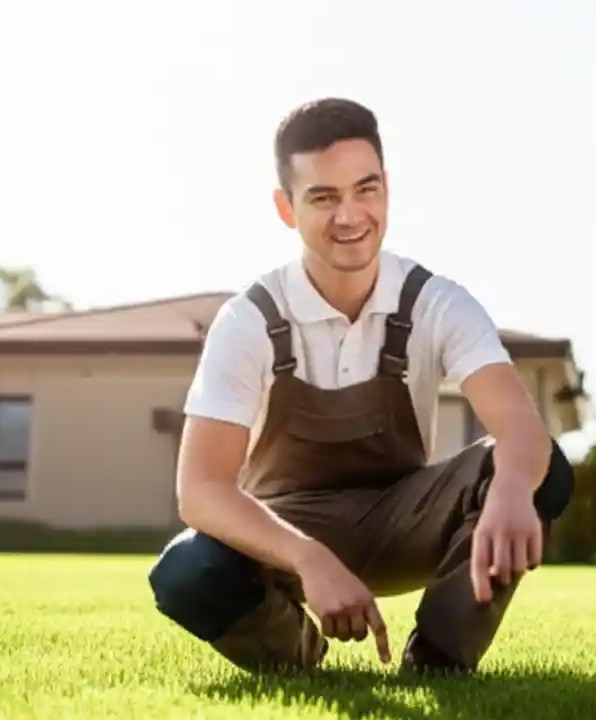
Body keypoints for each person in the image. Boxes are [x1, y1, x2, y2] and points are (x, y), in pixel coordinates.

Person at [147, 97, 573, 676]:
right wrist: (308, 557)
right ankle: (297, 656)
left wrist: (513, 486)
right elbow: (200, 492)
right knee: (186, 573)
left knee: (541, 471)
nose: (350, 215)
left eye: (365, 190)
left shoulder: (434, 301)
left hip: (404, 524)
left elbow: (521, 426)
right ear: (285, 207)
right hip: (285, 538)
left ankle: (440, 660)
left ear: (387, 189)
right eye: (324, 197)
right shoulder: (249, 320)